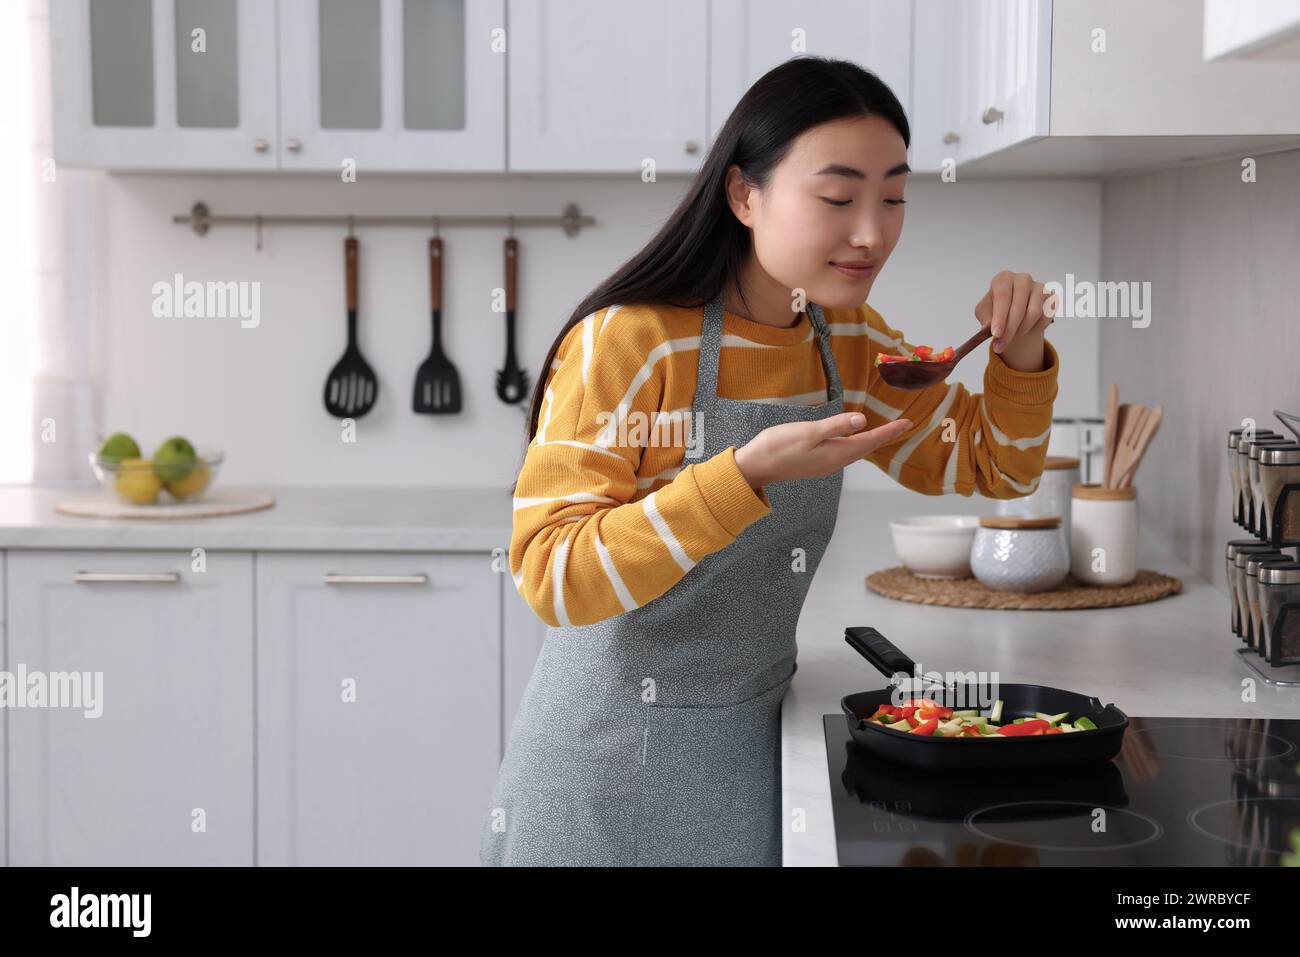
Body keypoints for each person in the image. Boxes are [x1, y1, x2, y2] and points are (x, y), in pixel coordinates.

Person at [481, 56, 1059, 867]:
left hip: (757, 745)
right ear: (744, 194)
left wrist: (1021, 352)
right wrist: (739, 476)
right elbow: (552, 574)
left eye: (893, 197)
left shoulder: (845, 341)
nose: (872, 231)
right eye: (837, 196)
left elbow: (996, 467)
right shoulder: (630, 340)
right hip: (604, 768)